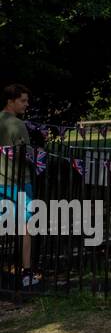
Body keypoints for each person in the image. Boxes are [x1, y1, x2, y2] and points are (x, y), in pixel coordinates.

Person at [1, 84, 39, 287]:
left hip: (0, 182)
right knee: (26, 226)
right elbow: (26, 155)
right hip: (19, 182)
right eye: (23, 101)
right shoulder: (17, 124)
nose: (27, 104)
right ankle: (26, 272)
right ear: (11, 101)